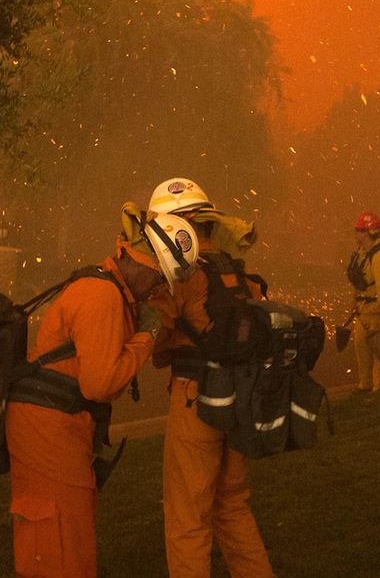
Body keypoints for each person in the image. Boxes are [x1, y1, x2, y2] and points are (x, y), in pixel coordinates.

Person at [7, 209, 197, 578]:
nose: (160, 289)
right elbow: (100, 384)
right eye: (160, 278)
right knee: (61, 546)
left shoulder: (107, 288)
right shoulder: (103, 297)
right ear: (140, 260)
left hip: (54, 427)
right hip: (48, 434)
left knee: (64, 537)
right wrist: (146, 337)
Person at [147, 178, 277, 578]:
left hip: (195, 401)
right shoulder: (241, 270)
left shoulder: (182, 275)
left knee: (187, 516)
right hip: (240, 398)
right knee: (232, 505)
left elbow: (156, 340)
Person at [346, 211, 380, 392]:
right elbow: (360, 280)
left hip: (379, 309)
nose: (356, 233)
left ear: (368, 233)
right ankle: (365, 384)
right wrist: (355, 301)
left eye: (359, 229)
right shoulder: (362, 253)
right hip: (364, 309)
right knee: (361, 347)